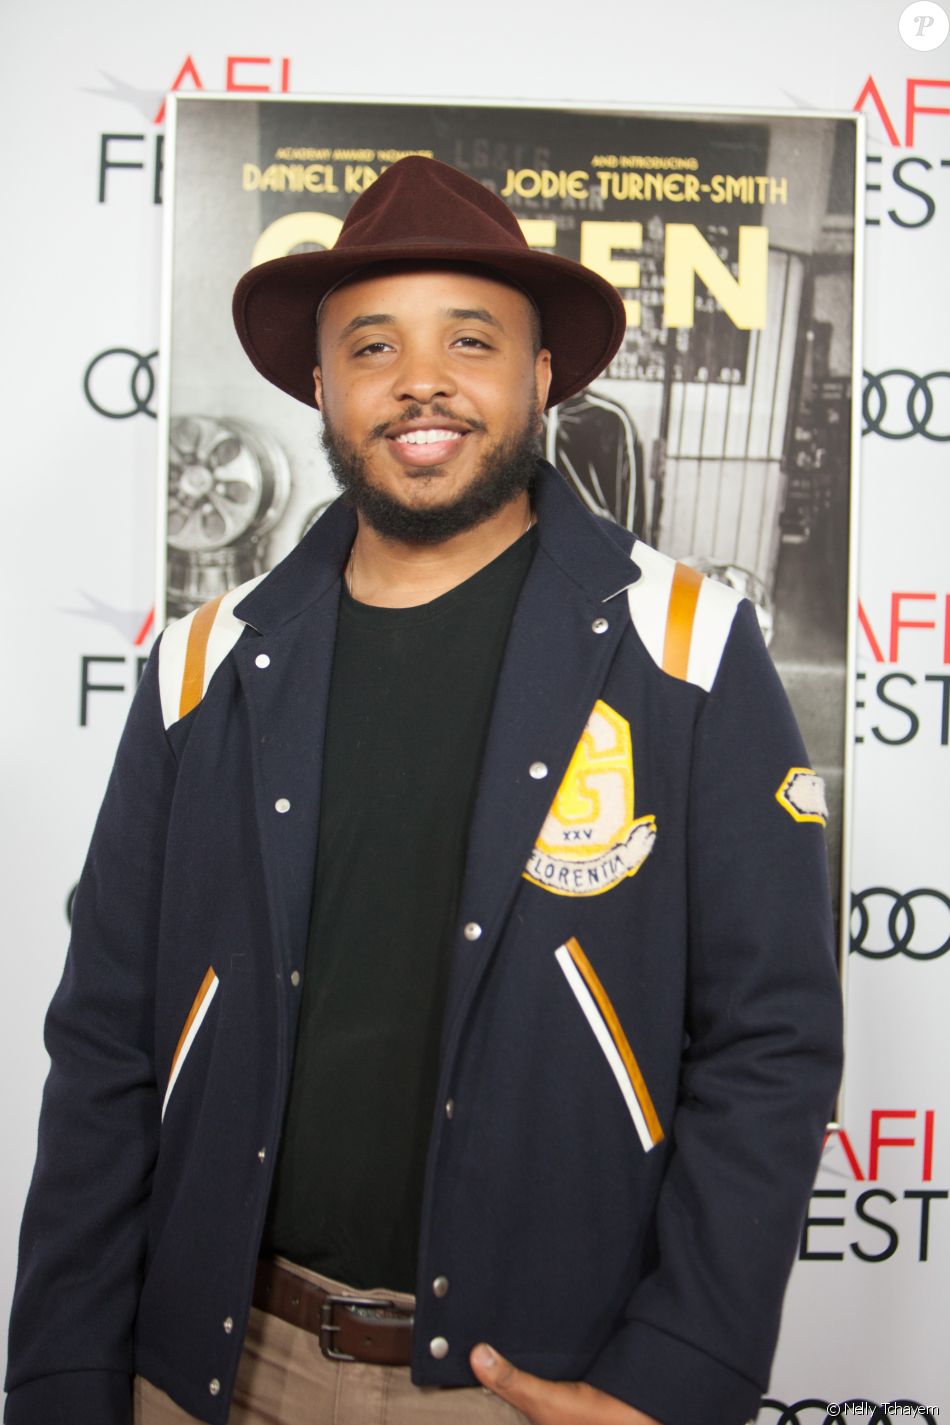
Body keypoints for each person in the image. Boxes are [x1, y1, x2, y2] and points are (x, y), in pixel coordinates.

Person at [4, 156, 843, 1425]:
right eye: (371, 347)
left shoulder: (686, 650)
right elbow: (107, 1042)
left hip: (533, 1385)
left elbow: (769, 1043)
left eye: (470, 339)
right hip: (214, 1368)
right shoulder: (203, 666)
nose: (421, 383)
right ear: (321, 386)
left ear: (542, 374)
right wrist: (65, 1373)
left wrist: (676, 1381)